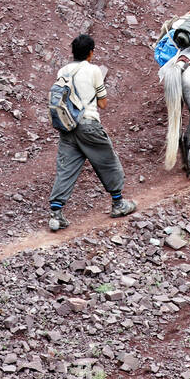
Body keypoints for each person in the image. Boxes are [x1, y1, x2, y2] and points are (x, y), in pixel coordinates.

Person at [48, 34, 136, 231]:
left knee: (66, 167)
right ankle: (118, 203)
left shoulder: (63, 70)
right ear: (90, 53)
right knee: (107, 160)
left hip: (67, 125)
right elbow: (103, 103)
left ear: (72, 52)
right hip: (88, 123)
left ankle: (56, 214)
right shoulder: (94, 70)